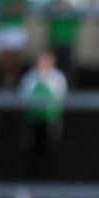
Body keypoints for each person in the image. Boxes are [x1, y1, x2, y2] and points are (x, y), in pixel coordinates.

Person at [38, 0, 89, 86]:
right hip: (53, 34)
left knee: (67, 66)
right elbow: (40, 10)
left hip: (69, 35)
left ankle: (69, 92)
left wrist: (69, 7)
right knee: (51, 65)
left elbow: (84, 12)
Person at [18, 50, 67, 179]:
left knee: (51, 145)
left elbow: (61, 96)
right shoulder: (29, 77)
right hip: (33, 117)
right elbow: (23, 96)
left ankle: (51, 173)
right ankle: (32, 173)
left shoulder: (57, 77)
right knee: (32, 147)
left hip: (50, 117)